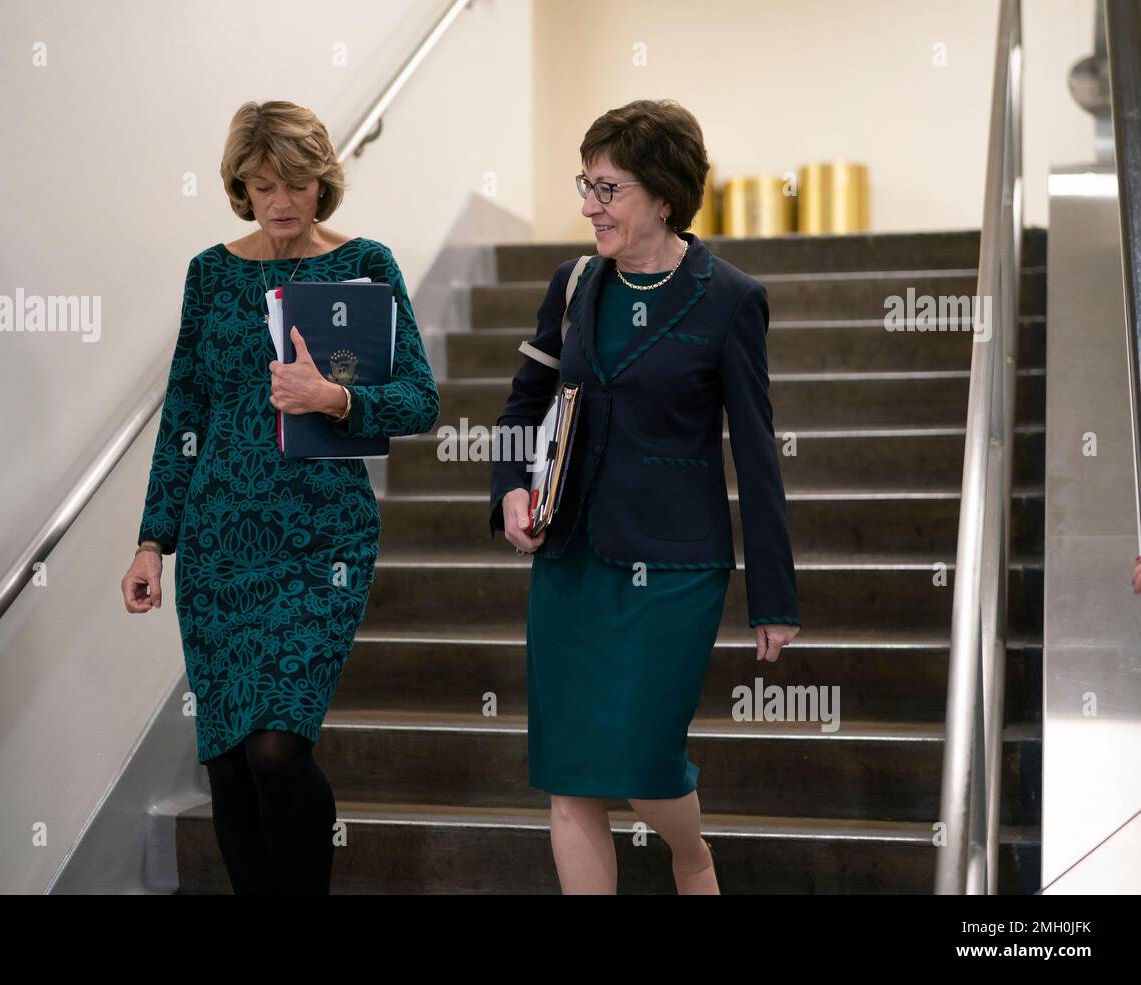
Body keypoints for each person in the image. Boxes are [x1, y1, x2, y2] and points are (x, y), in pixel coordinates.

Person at [121, 100, 440, 894]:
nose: (281, 201)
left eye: (295, 182)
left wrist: (335, 399)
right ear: (241, 188)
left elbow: (421, 399)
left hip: (321, 540)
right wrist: (153, 539)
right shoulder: (210, 274)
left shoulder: (366, 263)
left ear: (320, 181)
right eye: (262, 185)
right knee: (229, 764)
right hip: (220, 543)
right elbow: (185, 414)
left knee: (277, 748)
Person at [489, 99, 801, 895]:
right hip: (570, 563)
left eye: (608, 189)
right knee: (570, 778)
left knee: (645, 763)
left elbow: (757, 453)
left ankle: (692, 858)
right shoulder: (574, 285)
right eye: (586, 185)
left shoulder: (730, 298)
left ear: (662, 194)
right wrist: (509, 494)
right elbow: (524, 406)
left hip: (674, 568)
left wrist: (773, 594)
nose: (589, 206)